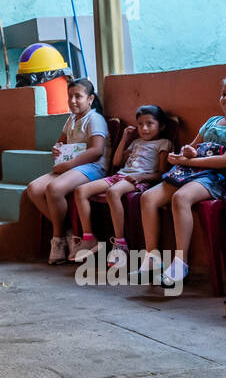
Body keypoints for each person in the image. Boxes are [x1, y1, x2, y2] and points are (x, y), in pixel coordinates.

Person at [136, 75, 226, 289]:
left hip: (219, 179)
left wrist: (189, 159)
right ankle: (151, 258)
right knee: (148, 198)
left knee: (181, 198)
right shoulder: (212, 122)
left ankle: (180, 263)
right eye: (224, 94)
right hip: (190, 172)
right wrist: (185, 153)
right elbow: (192, 147)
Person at [73, 104, 170, 266]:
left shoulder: (164, 143)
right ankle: (89, 237)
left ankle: (120, 243)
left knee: (113, 192)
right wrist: (126, 138)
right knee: (81, 190)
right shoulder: (136, 142)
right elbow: (117, 161)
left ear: (162, 126)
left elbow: (161, 173)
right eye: (140, 124)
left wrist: (141, 177)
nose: (144, 128)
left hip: (138, 181)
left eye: (150, 124)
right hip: (120, 176)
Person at [26, 77, 109, 265]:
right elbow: (61, 142)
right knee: (34, 189)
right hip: (71, 166)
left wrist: (69, 165)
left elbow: (96, 151)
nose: (73, 101)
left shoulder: (94, 119)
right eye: (70, 96)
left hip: (93, 168)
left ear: (90, 99)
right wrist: (57, 148)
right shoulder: (71, 119)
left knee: (54, 189)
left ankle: (58, 240)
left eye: (78, 96)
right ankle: (70, 233)